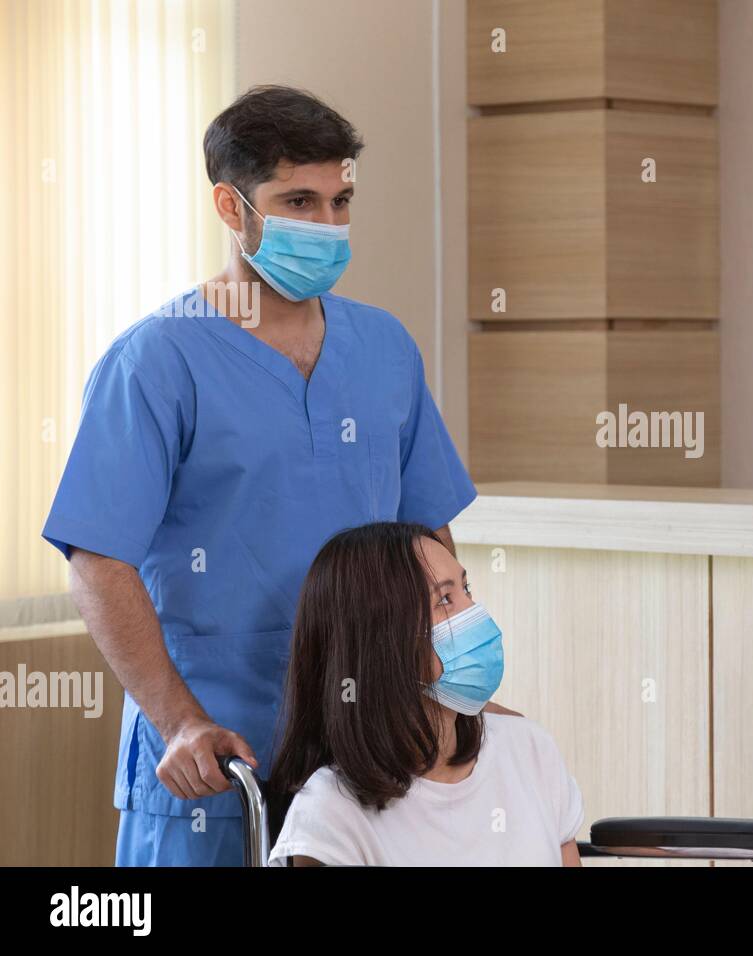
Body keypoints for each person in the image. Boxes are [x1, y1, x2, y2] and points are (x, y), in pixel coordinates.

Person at [42, 86, 498, 866]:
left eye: (340, 200)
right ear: (231, 206)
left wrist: (447, 675)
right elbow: (97, 558)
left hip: (366, 750)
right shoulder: (157, 362)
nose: (327, 225)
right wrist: (179, 720)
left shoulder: (385, 350)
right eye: (299, 202)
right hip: (219, 762)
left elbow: (427, 541)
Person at [267, 522, 583, 866]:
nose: (475, 613)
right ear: (382, 642)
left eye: (467, 589)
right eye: (445, 599)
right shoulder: (331, 812)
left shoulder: (531, 750)